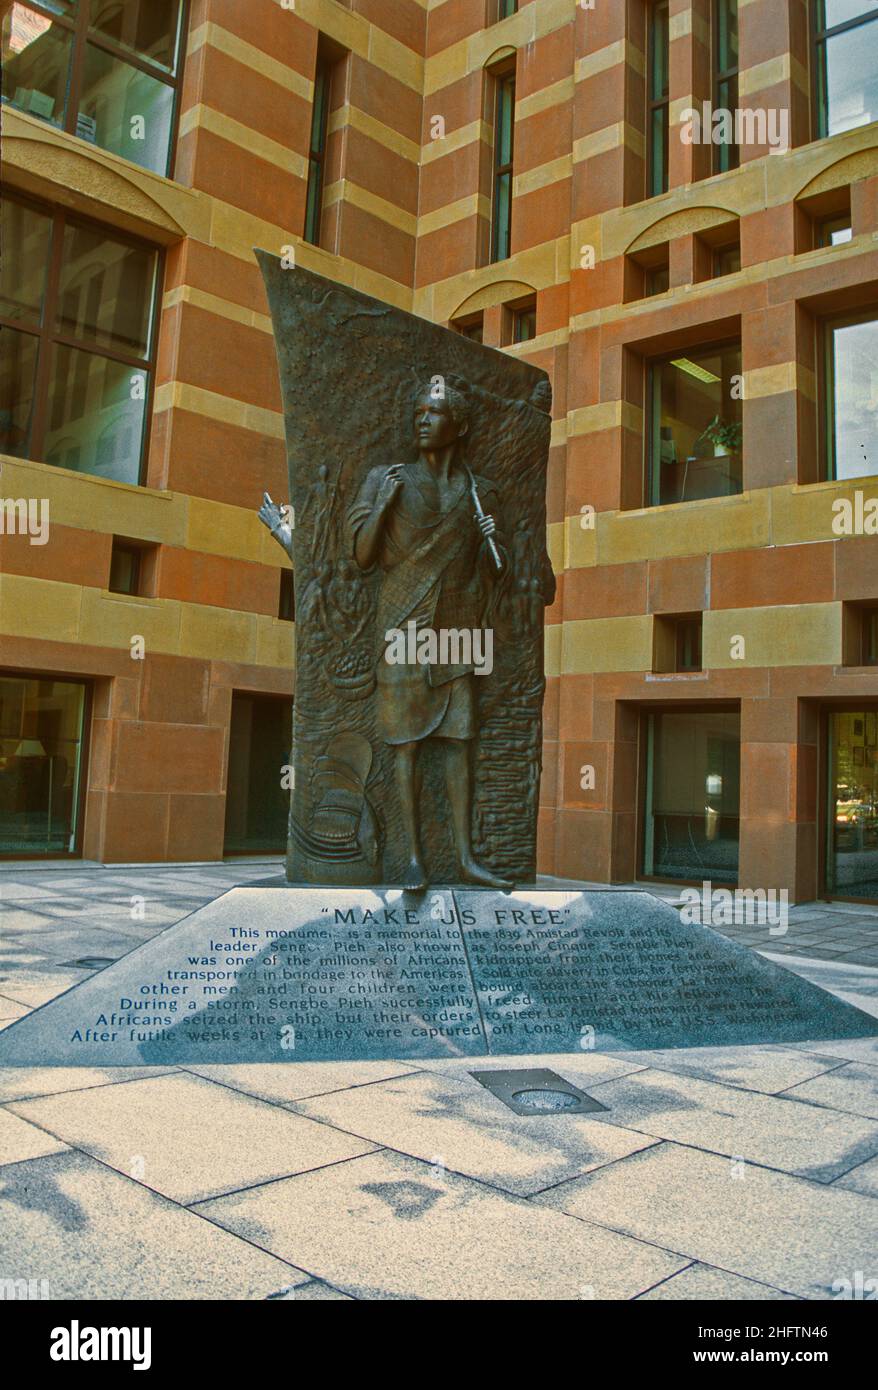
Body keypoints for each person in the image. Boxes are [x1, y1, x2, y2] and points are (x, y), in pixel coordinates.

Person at [347, 377, 510, 891]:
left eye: (434, 412)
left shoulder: (478, 492)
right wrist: (382, 505)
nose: (422, 419)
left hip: (457, 629)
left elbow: (494, 572)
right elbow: (363, 556)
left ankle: (464, 859)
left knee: (459, 740)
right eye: (418, 411)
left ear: (458, 426)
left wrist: (492, 545)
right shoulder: (386, 478)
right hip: (403, 624)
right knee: (407, 744)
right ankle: (414, 857)